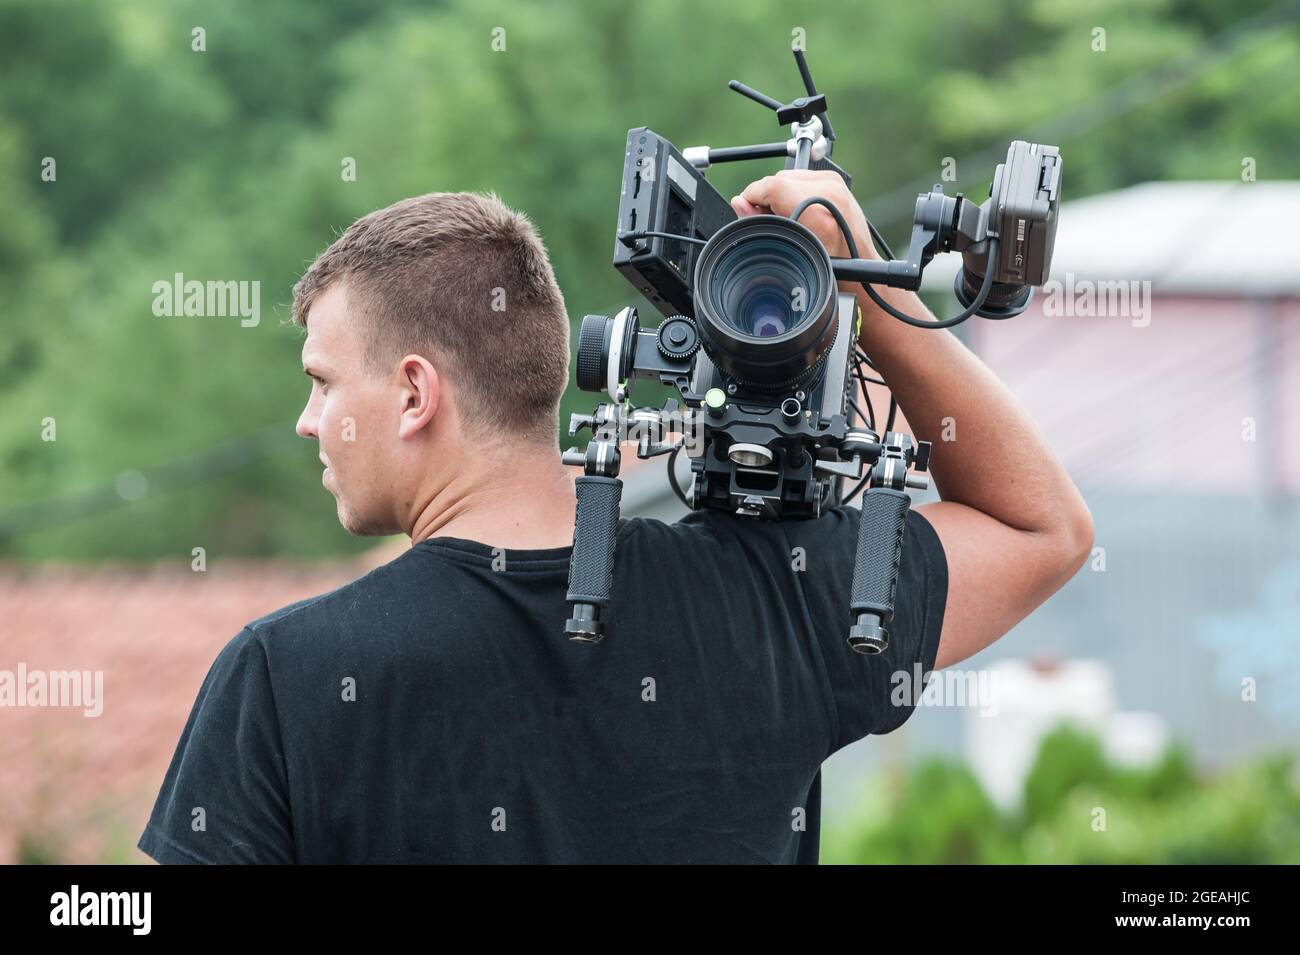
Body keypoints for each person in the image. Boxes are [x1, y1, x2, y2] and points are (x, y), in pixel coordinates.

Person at [137, 172, 1093, 864]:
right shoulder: (778, 598)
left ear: (414, 392)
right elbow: (1040, 530)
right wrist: (857, 285)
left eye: (321, 381)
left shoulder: (286, 673)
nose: (309, 420)